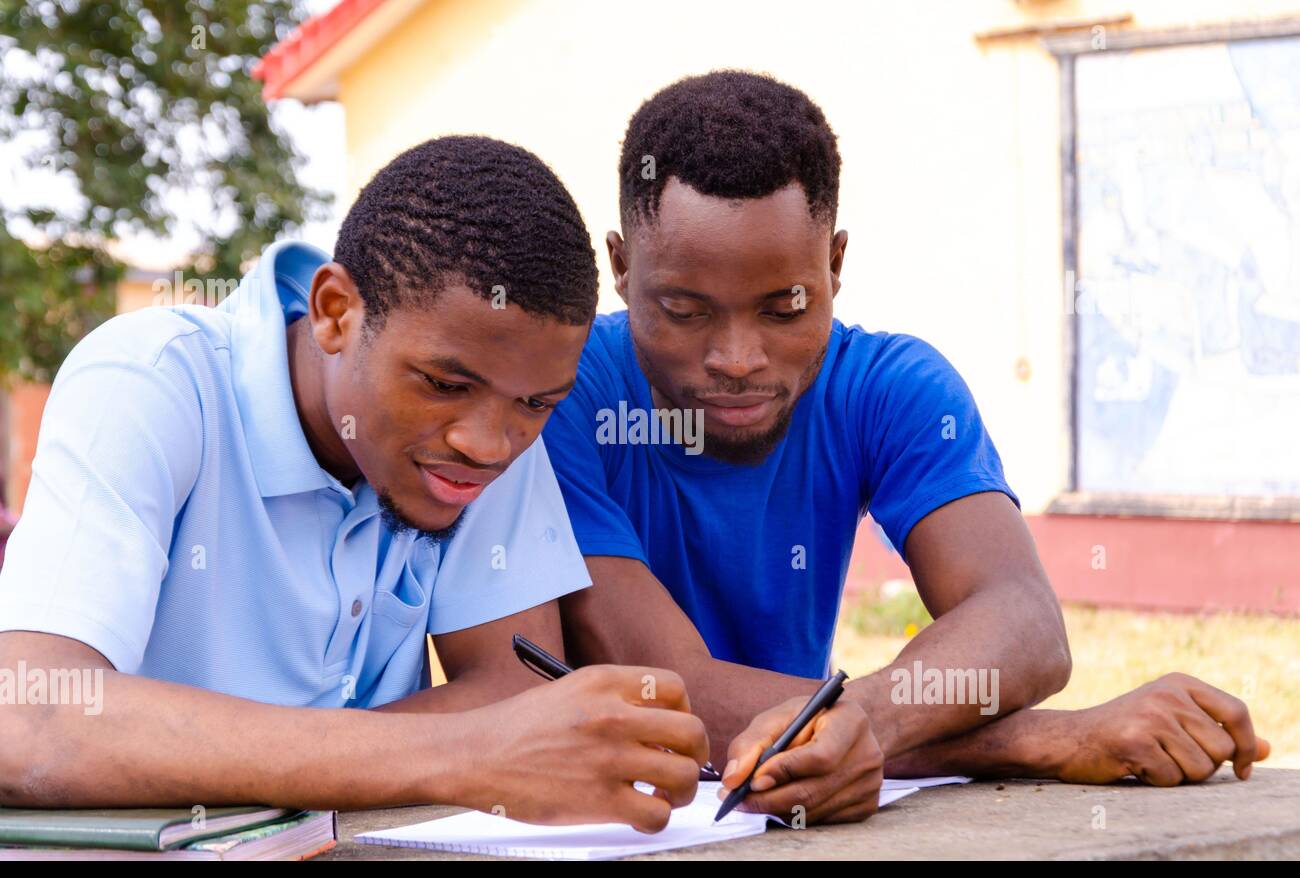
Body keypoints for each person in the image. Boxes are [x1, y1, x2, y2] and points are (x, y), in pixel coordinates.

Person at [543, 71, 1269, 825]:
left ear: (835, 265)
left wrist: (870, 725)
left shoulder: (892, 388)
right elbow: (670, 688)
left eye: (783, 306)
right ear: (623, 269)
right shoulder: (556, 393)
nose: (737, 357)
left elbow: (1020, 616)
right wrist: (1038, 738)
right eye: (686, 311)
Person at [0, 136, 708, 832]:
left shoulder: (489, 429)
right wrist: (464, 752)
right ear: (337, 311)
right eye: (442, 383)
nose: (488, 445)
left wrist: (464, 743)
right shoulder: (151, 380)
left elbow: (512, 686)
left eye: (537, 405)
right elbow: (33, 714)